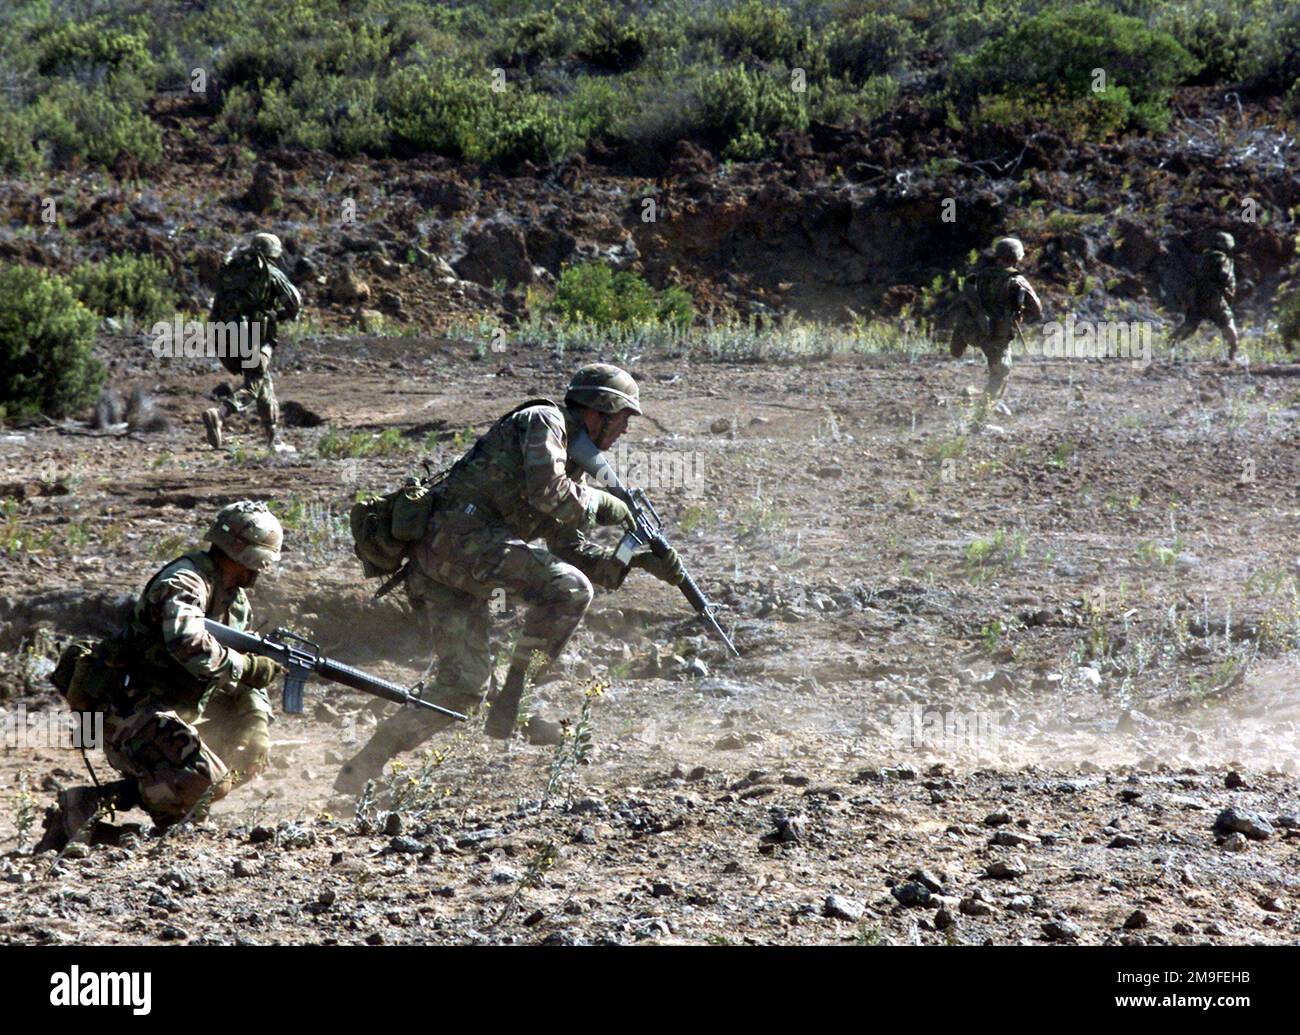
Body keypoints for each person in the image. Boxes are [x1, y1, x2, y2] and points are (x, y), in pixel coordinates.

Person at [333, 364, 683, 795]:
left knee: (461, 690)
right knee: (570, 589)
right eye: (625, 418)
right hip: (459, 543)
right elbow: (548, 494)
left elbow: (569, 550)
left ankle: (361, 768)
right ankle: (515, 701)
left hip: (447, 565)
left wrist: (635, 560)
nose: (625, 430)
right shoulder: (544, 422)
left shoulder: (570, 460)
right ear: (602, 411)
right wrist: (605, 503)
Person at [35, 502, 285, 851]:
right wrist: (247, 667)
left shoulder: (235, 602)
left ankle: (139, 817)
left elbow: (242, 669)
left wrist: (257, 720)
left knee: (246, 754)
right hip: (122, 706)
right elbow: (188, 644)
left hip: (170, 713)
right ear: (241, 552)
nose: (260, 571)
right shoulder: (183, 581)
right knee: (206, 781)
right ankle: (91, 803)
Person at [203, 232, 301, 451]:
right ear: (273, 255)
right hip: (255, 338)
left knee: (264, 384)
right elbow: (294, 306)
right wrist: (276, 315)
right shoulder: (272, 275)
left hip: (225, 334)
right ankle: (219, 415)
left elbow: (218, 306)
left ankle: (273, 440)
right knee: (254, 386)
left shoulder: (232, 271)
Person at [948, 236, 1043, 416]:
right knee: (1001, 373)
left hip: (976, 331)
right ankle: (979, 421)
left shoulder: (978, 276)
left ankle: (991, 405)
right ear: (1017, 258)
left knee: (997, 371)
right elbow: (1037, 309)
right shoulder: (1017, 280)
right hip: (997, 335)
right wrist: (1018, 311)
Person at [1170, 230, 1239, 359]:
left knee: (1190, 324)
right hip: (1214, 298)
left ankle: (1170, 346)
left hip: (1197, 297)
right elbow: (1224, 277)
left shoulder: (1203, 257)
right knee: (1228, 324)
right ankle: (1232, 356)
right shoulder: (1221, 258)